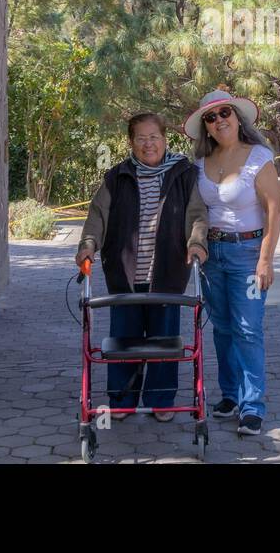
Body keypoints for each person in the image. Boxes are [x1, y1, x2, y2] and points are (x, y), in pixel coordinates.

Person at [75, 112, 208, 419]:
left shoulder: (183, 173)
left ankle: (161, 402)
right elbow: (97, 216)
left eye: (154, 137)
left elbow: (197, 215)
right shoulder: (117, 176)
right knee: (124, 342)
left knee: (164, 343)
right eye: (141, 138)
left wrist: (197, 242)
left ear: (165, 139)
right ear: (131, 142)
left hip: (167, 274)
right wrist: (88, 245)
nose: (149, 144)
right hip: (125, 276)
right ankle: (121, 401)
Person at [184, 89, 280, 437]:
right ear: (206, 128)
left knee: (248, 329)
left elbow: (274, 210)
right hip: (213, 255)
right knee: (222, 329)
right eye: (210, 117)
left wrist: (265, 260)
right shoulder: (199, 165)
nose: (218, 120)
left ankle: (253, 407)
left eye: (224, 112)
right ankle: (230, 396)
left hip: (248, 253)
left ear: (237, 117)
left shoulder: (259, 157)